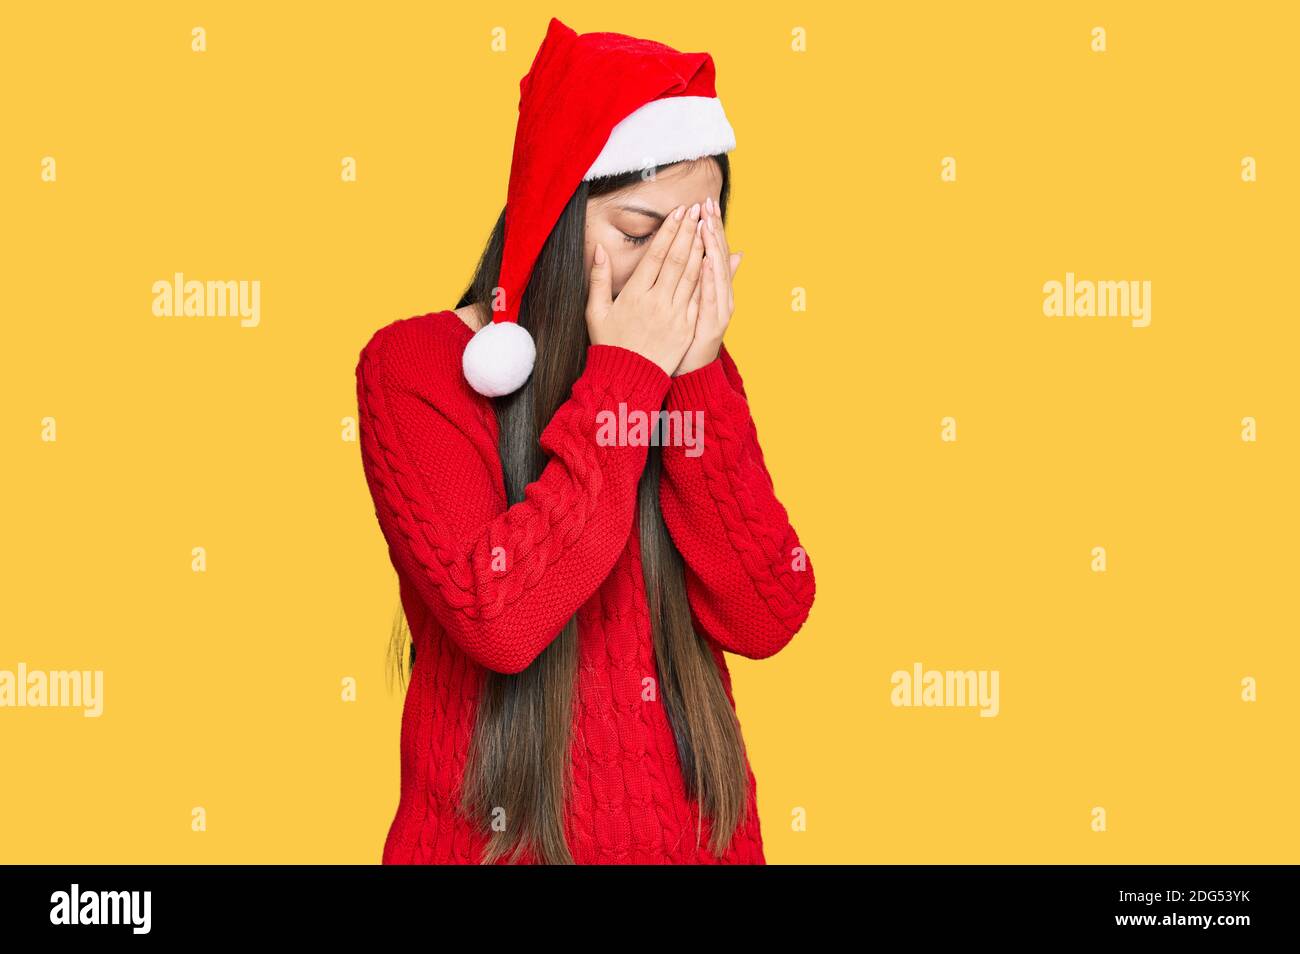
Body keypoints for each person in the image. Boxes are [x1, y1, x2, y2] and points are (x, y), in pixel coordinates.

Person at [354, 16, 815, 864]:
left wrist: (698, 376)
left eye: (698, 238)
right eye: (641, 234)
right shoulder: (416, 370)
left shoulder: (691, 377)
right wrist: (628, 377)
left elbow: (768, 610)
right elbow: (502, 619)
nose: (669, 272)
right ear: (555, 220)